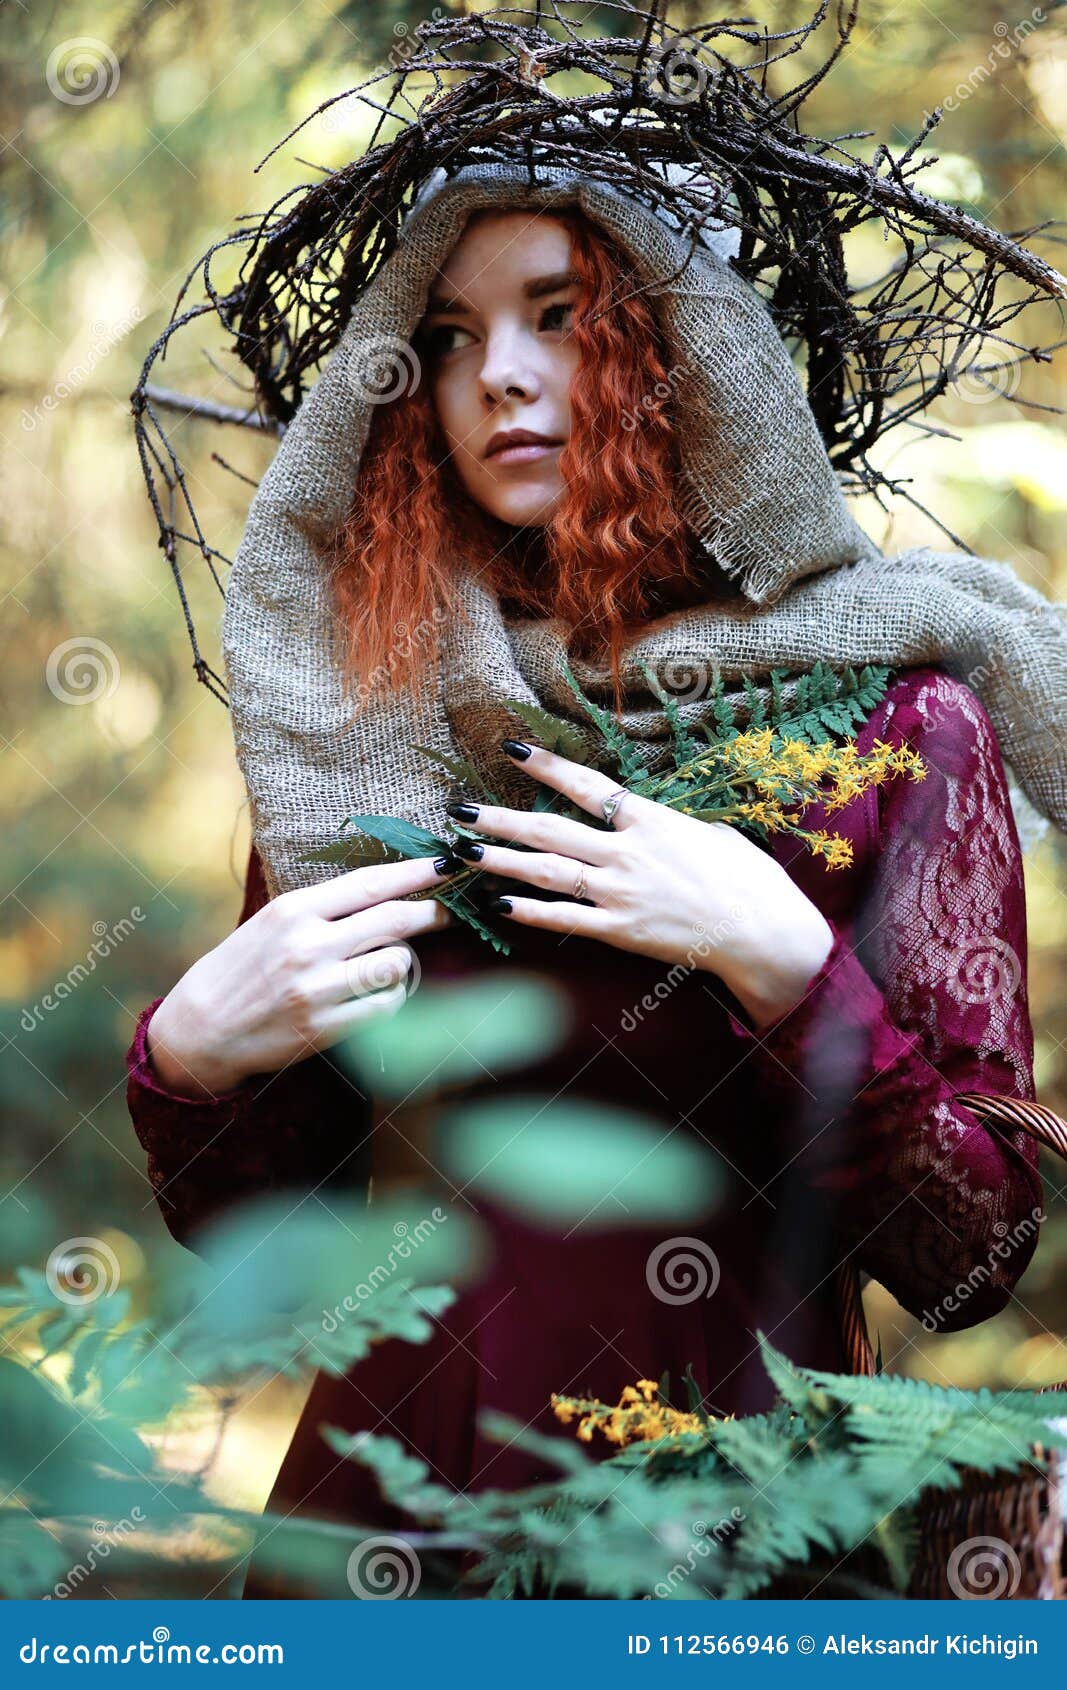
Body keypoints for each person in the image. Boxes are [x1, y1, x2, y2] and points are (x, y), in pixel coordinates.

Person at [126, 179, 1050, 1599]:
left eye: (557, 316)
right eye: (447, 337)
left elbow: (969, 1264)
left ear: (687, 356)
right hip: (384, 1531)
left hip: (735, 1531)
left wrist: (787, 968)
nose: (496, 373)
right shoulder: (368, 729)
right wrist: (189, 1061)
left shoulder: (900, 722)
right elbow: (277, 1243)